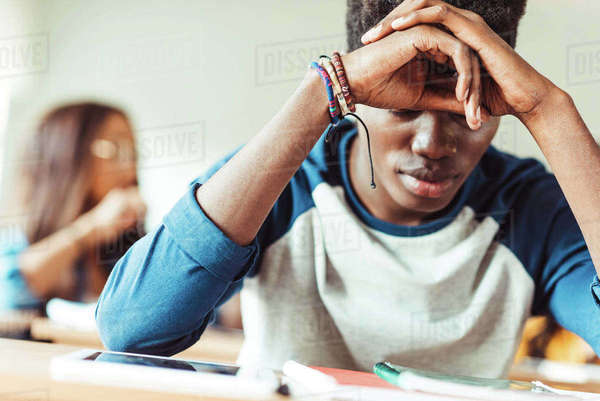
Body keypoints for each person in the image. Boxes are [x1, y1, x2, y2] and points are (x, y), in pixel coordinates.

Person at [96, 0, 600, 379]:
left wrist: (549, 112)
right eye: (404, 107)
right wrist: (322, 90)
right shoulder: (285, 176)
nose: (433, 144)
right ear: (363, 90)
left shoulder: (531, 207)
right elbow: (133, 332)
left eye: (470, 112)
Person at [0, 102, 146, 313]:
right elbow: (11, 290)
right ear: (67, 156)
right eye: (114, 150)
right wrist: (91, 227)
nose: (129, 167)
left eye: (131, 153)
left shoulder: (122, 242)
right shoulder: (17, 233)